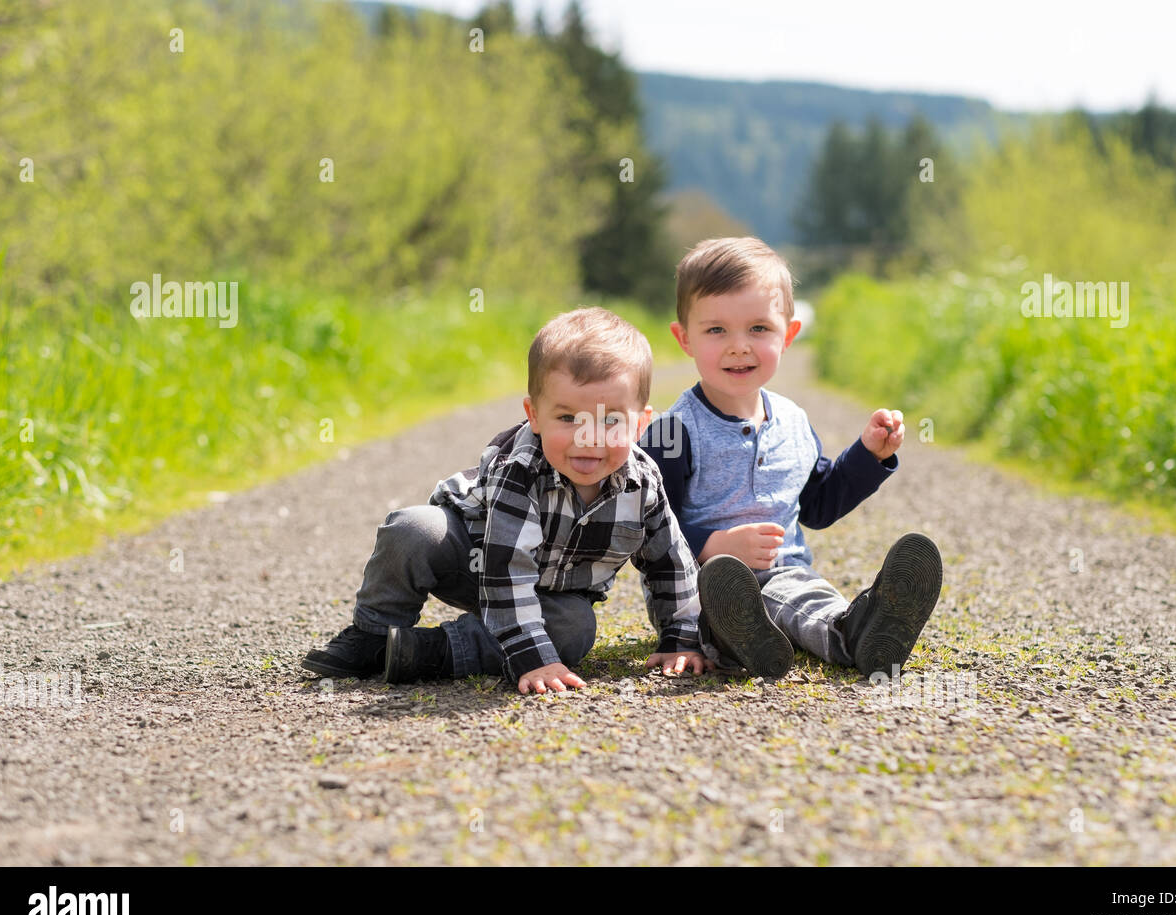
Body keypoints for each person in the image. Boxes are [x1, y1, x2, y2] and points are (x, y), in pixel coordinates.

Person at [301, 307, 714, 693]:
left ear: (642, 423)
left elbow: (669, 562)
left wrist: (680, 637)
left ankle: (429, 651)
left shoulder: (642, 483)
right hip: (476, 557)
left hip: (552, 592)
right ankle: (374, 634)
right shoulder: (521, 469)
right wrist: (530, 659)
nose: (588, 437)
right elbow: (506, 568)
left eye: (610, 420)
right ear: (534, 415)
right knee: (413, 528)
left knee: (573, 628)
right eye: (567, 418)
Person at [639, 237, 943, 681]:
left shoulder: (793, 421)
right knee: (724, 603)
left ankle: (863, 629)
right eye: (716, 330)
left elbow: (819, 505)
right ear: (684, 338)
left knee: (805, 600)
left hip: (787, 573)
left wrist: (868, 456)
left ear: (790, 335)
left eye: (759, 329)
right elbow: (648, 525)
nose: (739, 346)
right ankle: (737, 637)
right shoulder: (672, 431)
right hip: (699, 587)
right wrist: (714, 545)